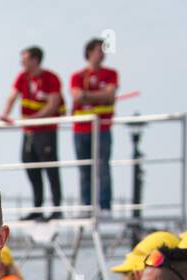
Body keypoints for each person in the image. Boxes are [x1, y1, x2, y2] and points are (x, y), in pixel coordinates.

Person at [1, 46, 65, 220]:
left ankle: (57, 208)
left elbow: (53, 104)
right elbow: (12, 97)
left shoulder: (51, 78)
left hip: (46, 132)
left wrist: (34, 119)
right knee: (30, 165)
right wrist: (5, 115)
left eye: (25, 58)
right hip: (29, 133)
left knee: (50, 169)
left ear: (35, 60)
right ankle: (37, 208)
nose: (22, 62)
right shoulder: (22, 78)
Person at [70, 37, 118, 213]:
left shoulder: (111, 74)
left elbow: (110, 96)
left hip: (103, 129)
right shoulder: (78, 76)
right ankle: (86, 204)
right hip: (81, 129)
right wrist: (101, 95)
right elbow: (76, 96)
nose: (102, 54)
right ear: (89, 52)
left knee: (103, 166)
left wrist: (87, 96)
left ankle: (105, 205)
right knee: (84, 168)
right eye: (99, 50)